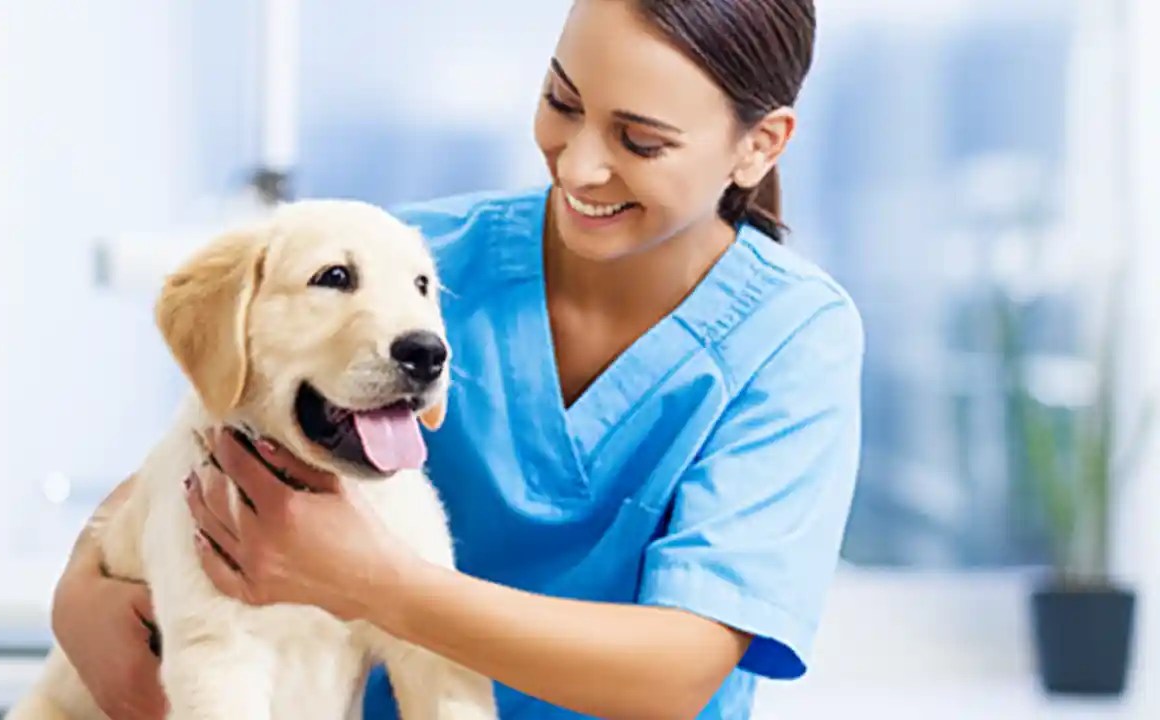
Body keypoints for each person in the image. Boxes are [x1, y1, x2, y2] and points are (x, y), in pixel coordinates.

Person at [51, 0, 864, 718]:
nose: (578, 164)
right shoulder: (408, 264)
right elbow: (204, 457)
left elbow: (678, 671)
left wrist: (373, 582)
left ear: (759, 146)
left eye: (640, 140)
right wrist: (79, 597)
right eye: (561, 101)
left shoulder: (791, 337)